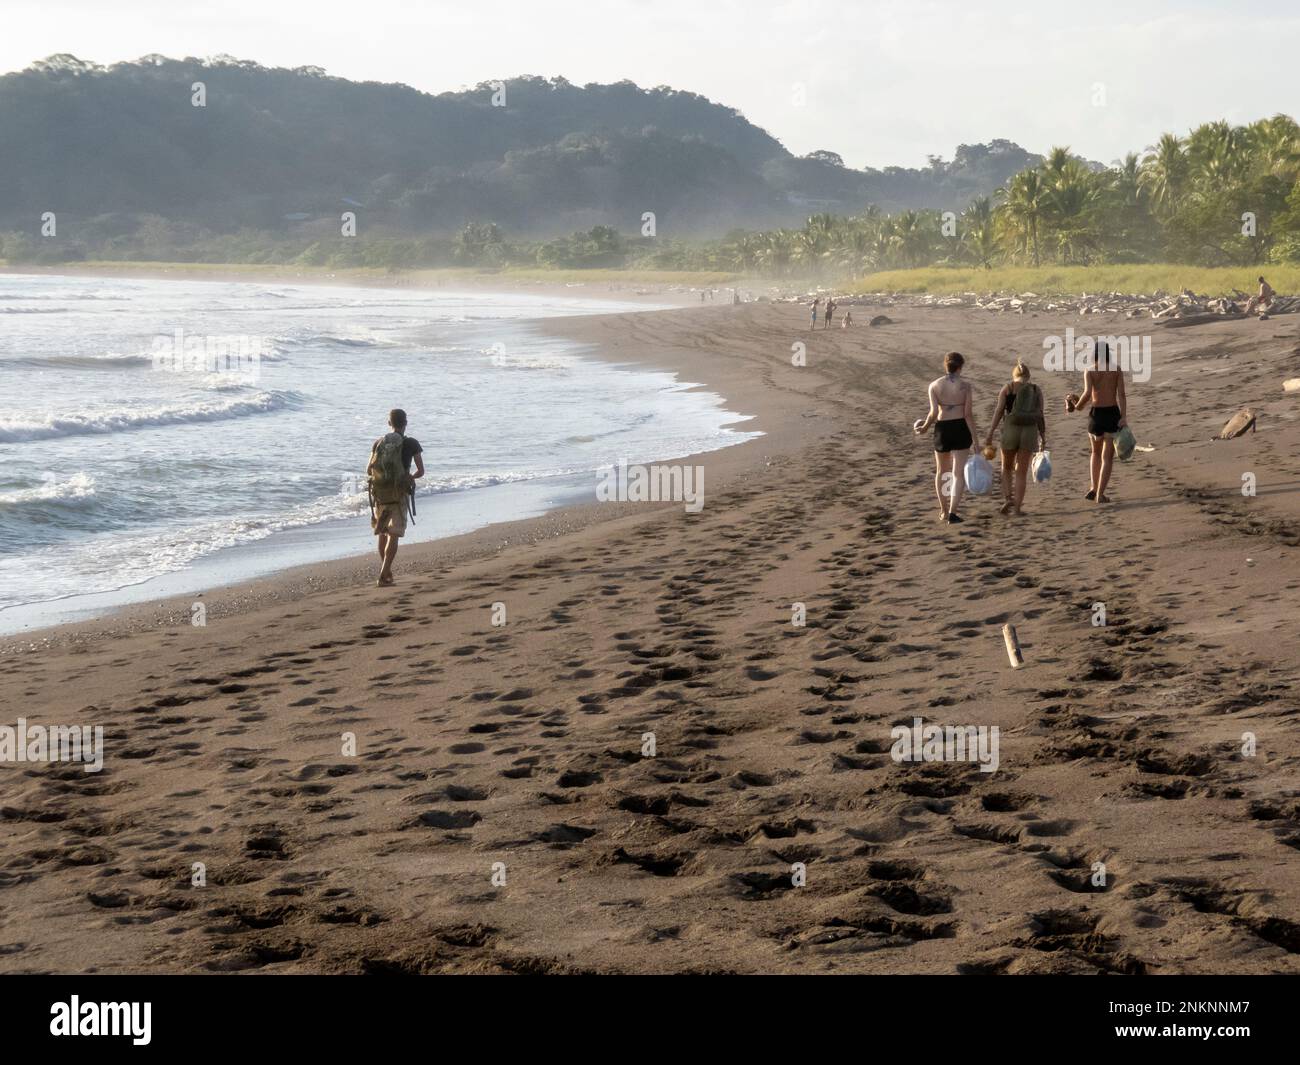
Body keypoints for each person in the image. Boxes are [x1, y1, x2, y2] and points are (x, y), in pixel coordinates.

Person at [914, 352, 977, 524]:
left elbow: (933, 412)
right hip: (960, 428)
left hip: (942, 428)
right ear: (960, 366)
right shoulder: (965, 386)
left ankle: (942, 510)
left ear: (946, 365)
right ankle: (953, 512)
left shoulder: (934, 385)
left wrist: (925, 428)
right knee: (958, 474)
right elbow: (968, 414)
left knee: (942, 471)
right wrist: (976, 440)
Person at [367, 408, 424, 586]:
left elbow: (369, 470)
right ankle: (384, 574)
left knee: (382, 533)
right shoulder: (411, 443)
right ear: (405, 423)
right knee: (394, 534)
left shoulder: (378, 443)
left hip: (380, 494)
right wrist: (410, 477)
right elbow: (421, 471)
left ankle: (387, 572)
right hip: (398, 494)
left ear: (389, 423)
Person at [1065, 340, 1125, 504]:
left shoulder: (1090, 370)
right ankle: (1100, 494)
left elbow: (1087, 393)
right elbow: (1121, 395)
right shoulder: (1116, 370)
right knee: (1107, 458)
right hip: (1112, 413)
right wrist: (1124, 417)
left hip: (1096, 415)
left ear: (1095, 354)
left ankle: (1093, 486)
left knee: (1095, 453)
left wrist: (1077, 406)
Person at [985, 359, 1046, 516]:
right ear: (1028, 375)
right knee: (1021, 472)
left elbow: (999, 411)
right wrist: (1043, 436)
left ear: (1014, 375)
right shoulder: (1036, 389)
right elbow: (1040, 415)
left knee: (1006, 468)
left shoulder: (1008, 388)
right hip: (1029, 431)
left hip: (1010, 430)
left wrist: (991, 432)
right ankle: (1018, 509)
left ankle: (1008, 498)